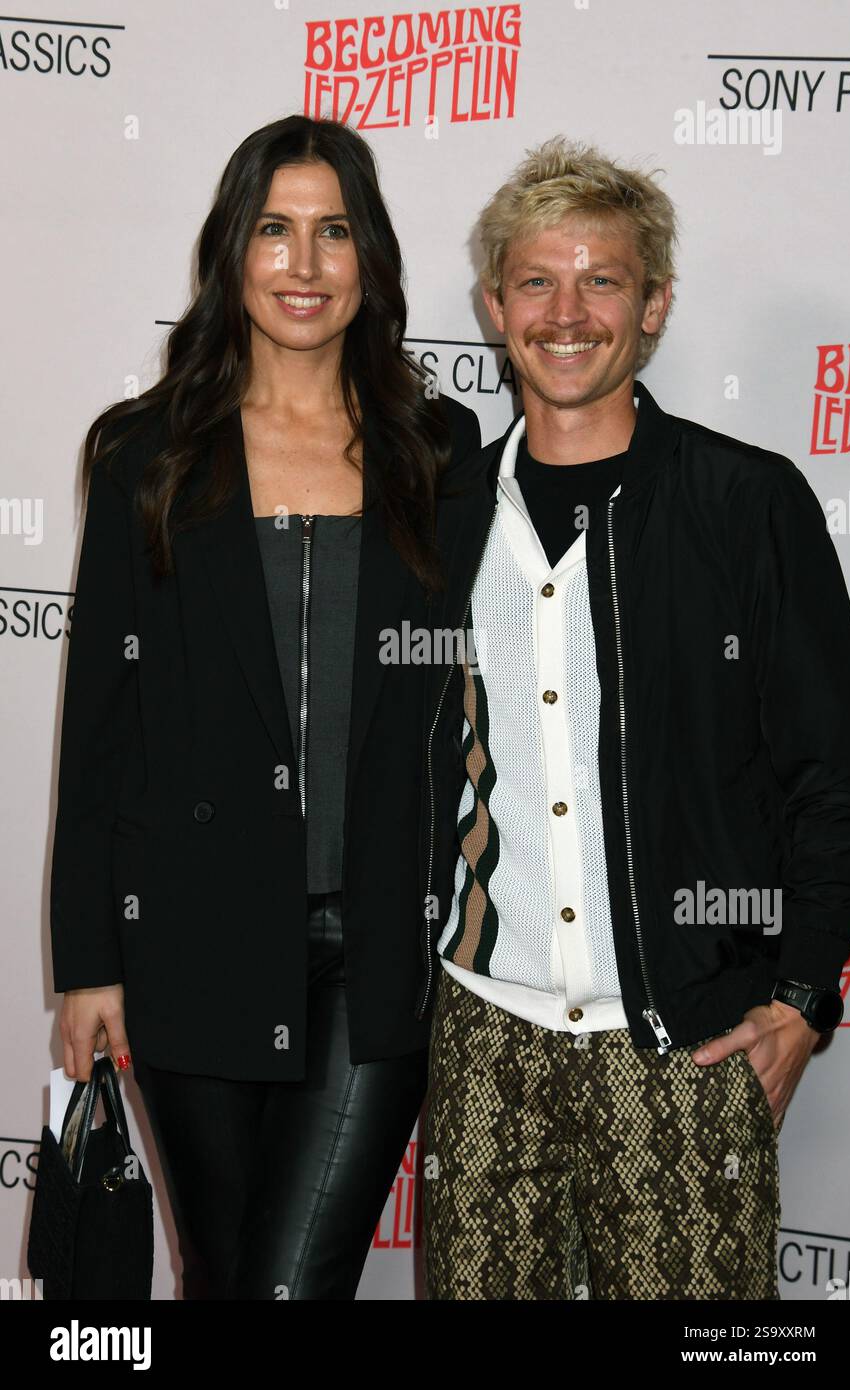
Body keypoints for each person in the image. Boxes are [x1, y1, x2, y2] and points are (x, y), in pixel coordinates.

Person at [418, 135, 850, 1299]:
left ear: (653, 303)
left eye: (601, 279)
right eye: (535, 281)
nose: (566, 312)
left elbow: (826, 772)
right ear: (491, 303)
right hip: (482, 1038)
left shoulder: (745, 501)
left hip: (687, 1039)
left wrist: (804, 996)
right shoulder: (436, 515)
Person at [50, 113, 480, 1300]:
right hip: (193, 937)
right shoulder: (151, 453)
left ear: (370, 260)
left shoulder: (438, 451)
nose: (302, 264)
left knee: (291, 1282)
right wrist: (88, 960)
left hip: (379, 948)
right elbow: (101, 720)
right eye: (276, 231)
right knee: (225, 1271)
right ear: (232, 251)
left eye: (333, 232)